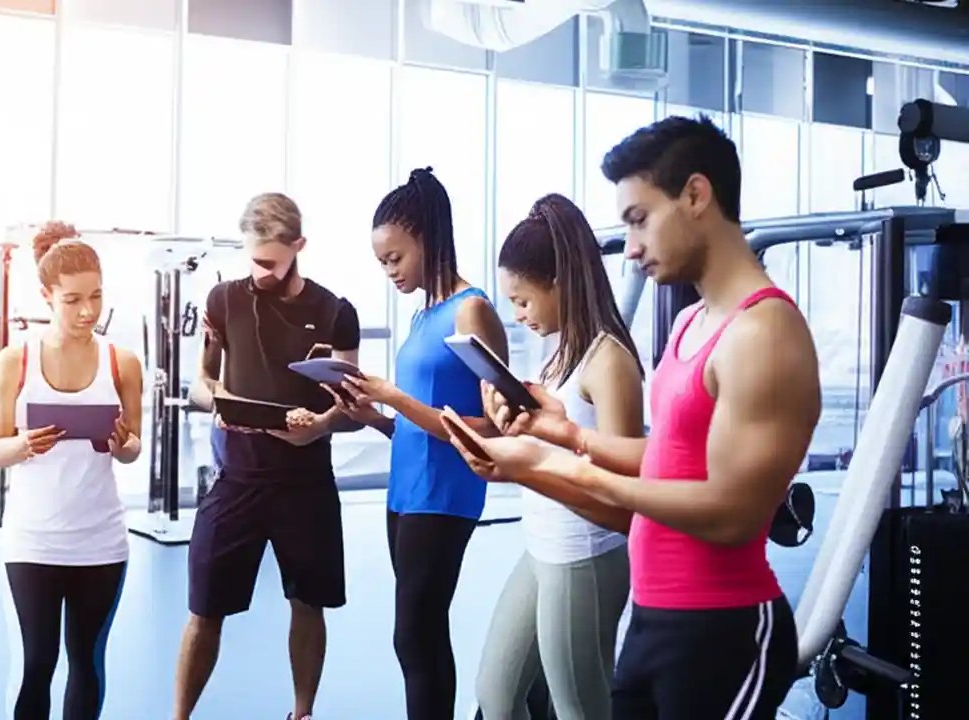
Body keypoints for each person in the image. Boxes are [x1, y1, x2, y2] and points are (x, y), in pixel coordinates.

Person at [446, 116, 821, 720]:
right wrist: (565, 434)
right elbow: (671, 458)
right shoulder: (688, 324)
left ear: (696, 196)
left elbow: (731, 514)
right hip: (654, 619)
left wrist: (556, 467)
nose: (634, 246)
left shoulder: (764, 331)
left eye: (639, 219)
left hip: (723, 627)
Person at [173, 193, 362, 720]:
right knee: (204, 609)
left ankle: (302, 714)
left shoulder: (336, 312)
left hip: (306, 483)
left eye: (269, 261)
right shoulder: (222, 300)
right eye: (251, 257)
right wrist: (221, 403)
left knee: (308, 603)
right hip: (236, 477)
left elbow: (350, 404)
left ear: (298, 247)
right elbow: (200, 383)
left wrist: (321, 425)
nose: (257, 271)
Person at [332, 167, 509, 720]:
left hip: (445, 495)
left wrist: (393, 395)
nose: (389, 272)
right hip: (404, 493)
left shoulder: (471, 309)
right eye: (381, 262)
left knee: (415, 633)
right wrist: (373, 416)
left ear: (427, 241)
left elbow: (493, 425)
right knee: (419, 637)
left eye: (394, 258)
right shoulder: (421, 317)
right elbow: (418, 423)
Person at [473, 194, 644, 720]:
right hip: (543, 546)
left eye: (523, 301)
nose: (518, 315)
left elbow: (620, 496)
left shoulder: (609, 359)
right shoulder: (558, 354)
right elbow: (548, 450)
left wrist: (526, 464)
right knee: (496, 697)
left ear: (560, 283)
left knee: (579, 709)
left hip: (585, 557)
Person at [0, 221, 143, 720]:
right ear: (46, 295)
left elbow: (134, 448)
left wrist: (122, 444)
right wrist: (24, 444)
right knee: (37, 662)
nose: (88, 311)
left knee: (87, 663)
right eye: (73, 299)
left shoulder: (123, 362)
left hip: (101, 540)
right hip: (33, 540)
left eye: (95, 296)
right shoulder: (15, 361)